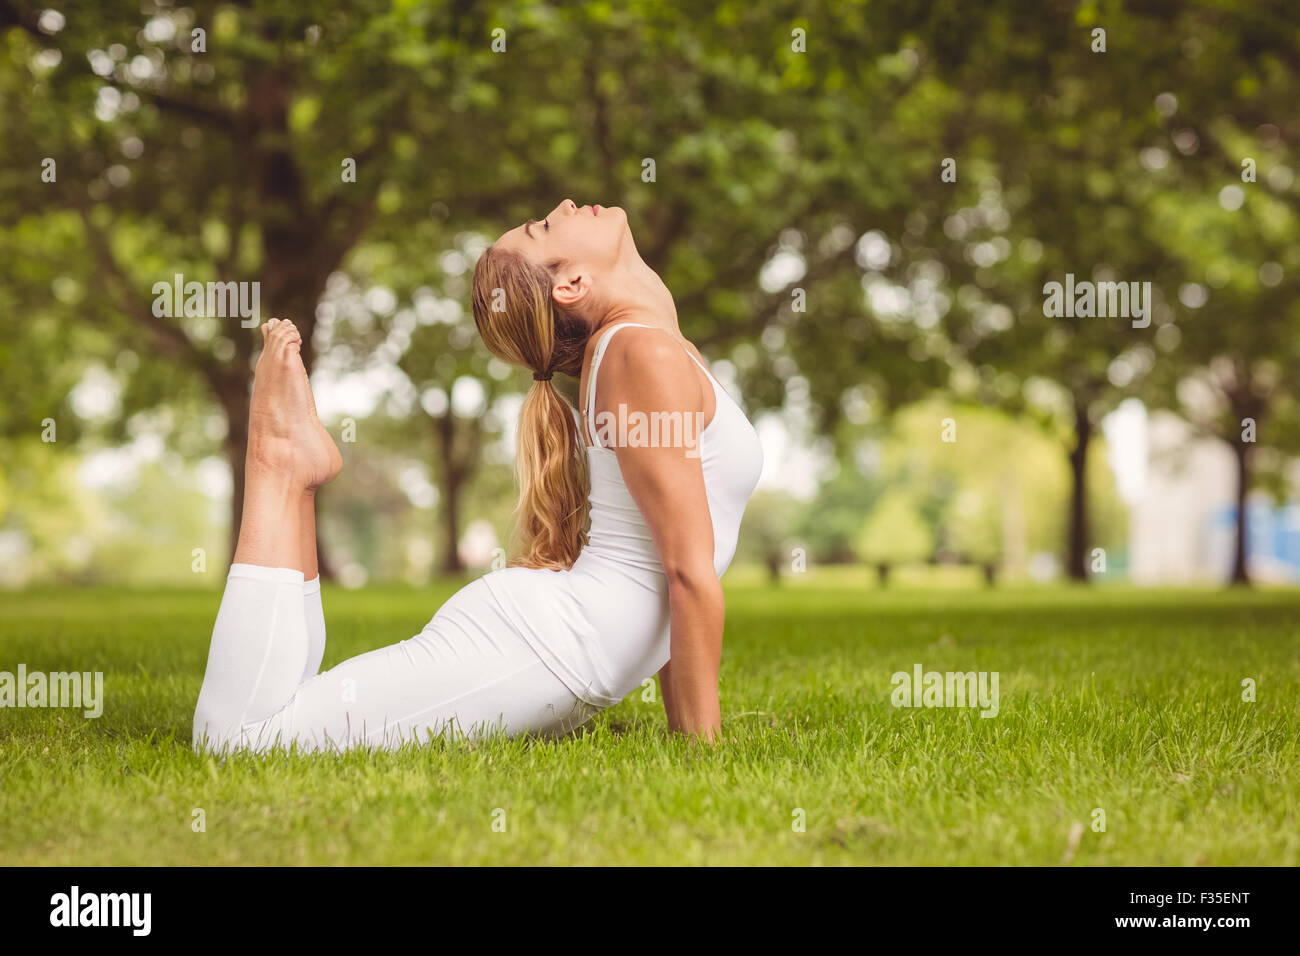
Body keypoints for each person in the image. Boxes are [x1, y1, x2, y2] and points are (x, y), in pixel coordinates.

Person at [192, 199, 763, 753]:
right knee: (240, 742)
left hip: (557, 643)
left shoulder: (652, 350)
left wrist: (689, 728)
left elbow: (677, 566)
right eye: (544, 225)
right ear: (569, 285)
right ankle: (275, 463)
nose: (564, 204)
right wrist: (703, 749)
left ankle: (295, 475)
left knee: (273, 726)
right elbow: (685, 570)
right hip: (541, 644)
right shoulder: (643, 355)